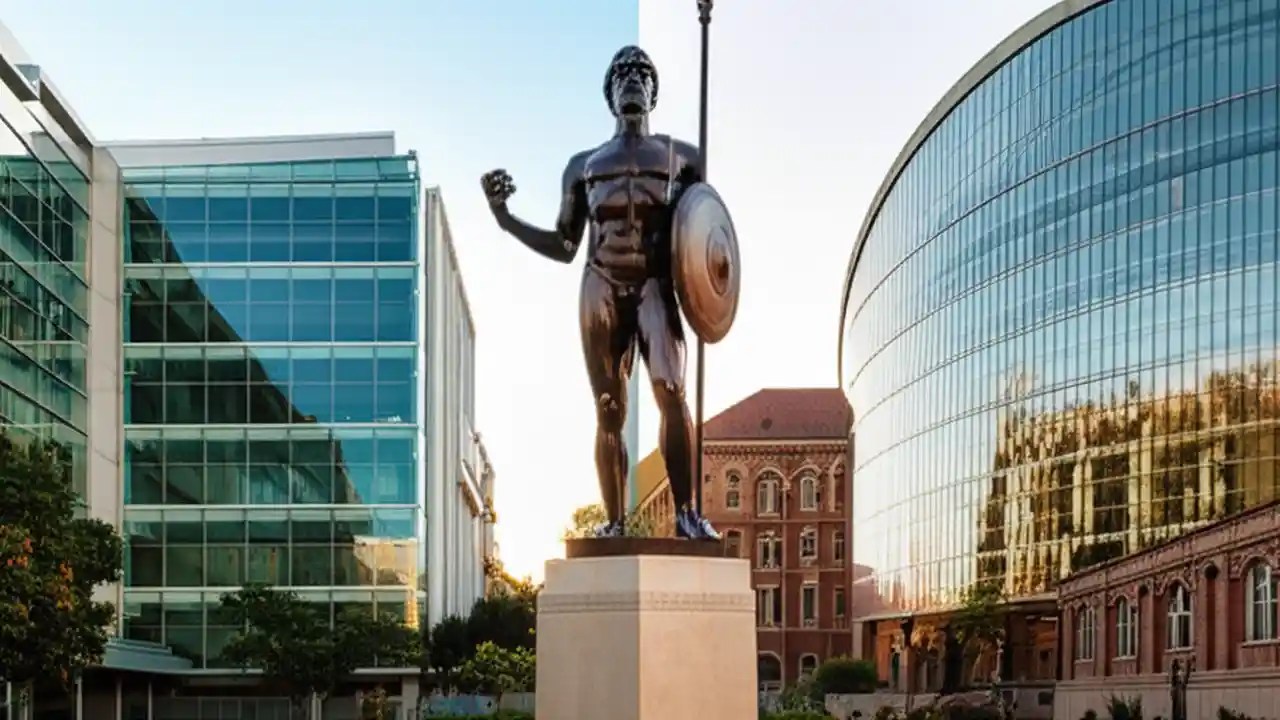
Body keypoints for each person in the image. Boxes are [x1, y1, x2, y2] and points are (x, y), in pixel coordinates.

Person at [481, 45, 718, 540]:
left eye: (641, 74)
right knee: (609, 406)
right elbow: (565, 244)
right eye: (622, 74)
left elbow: (705, 234)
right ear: (609, 94)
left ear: (653, 90)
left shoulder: (684, 158)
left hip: (655, 282)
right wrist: (505, 220)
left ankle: (687, 513)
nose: (632, 80)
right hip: (601, 283)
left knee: (671, 390)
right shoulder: (583, 165)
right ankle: (614, 522)